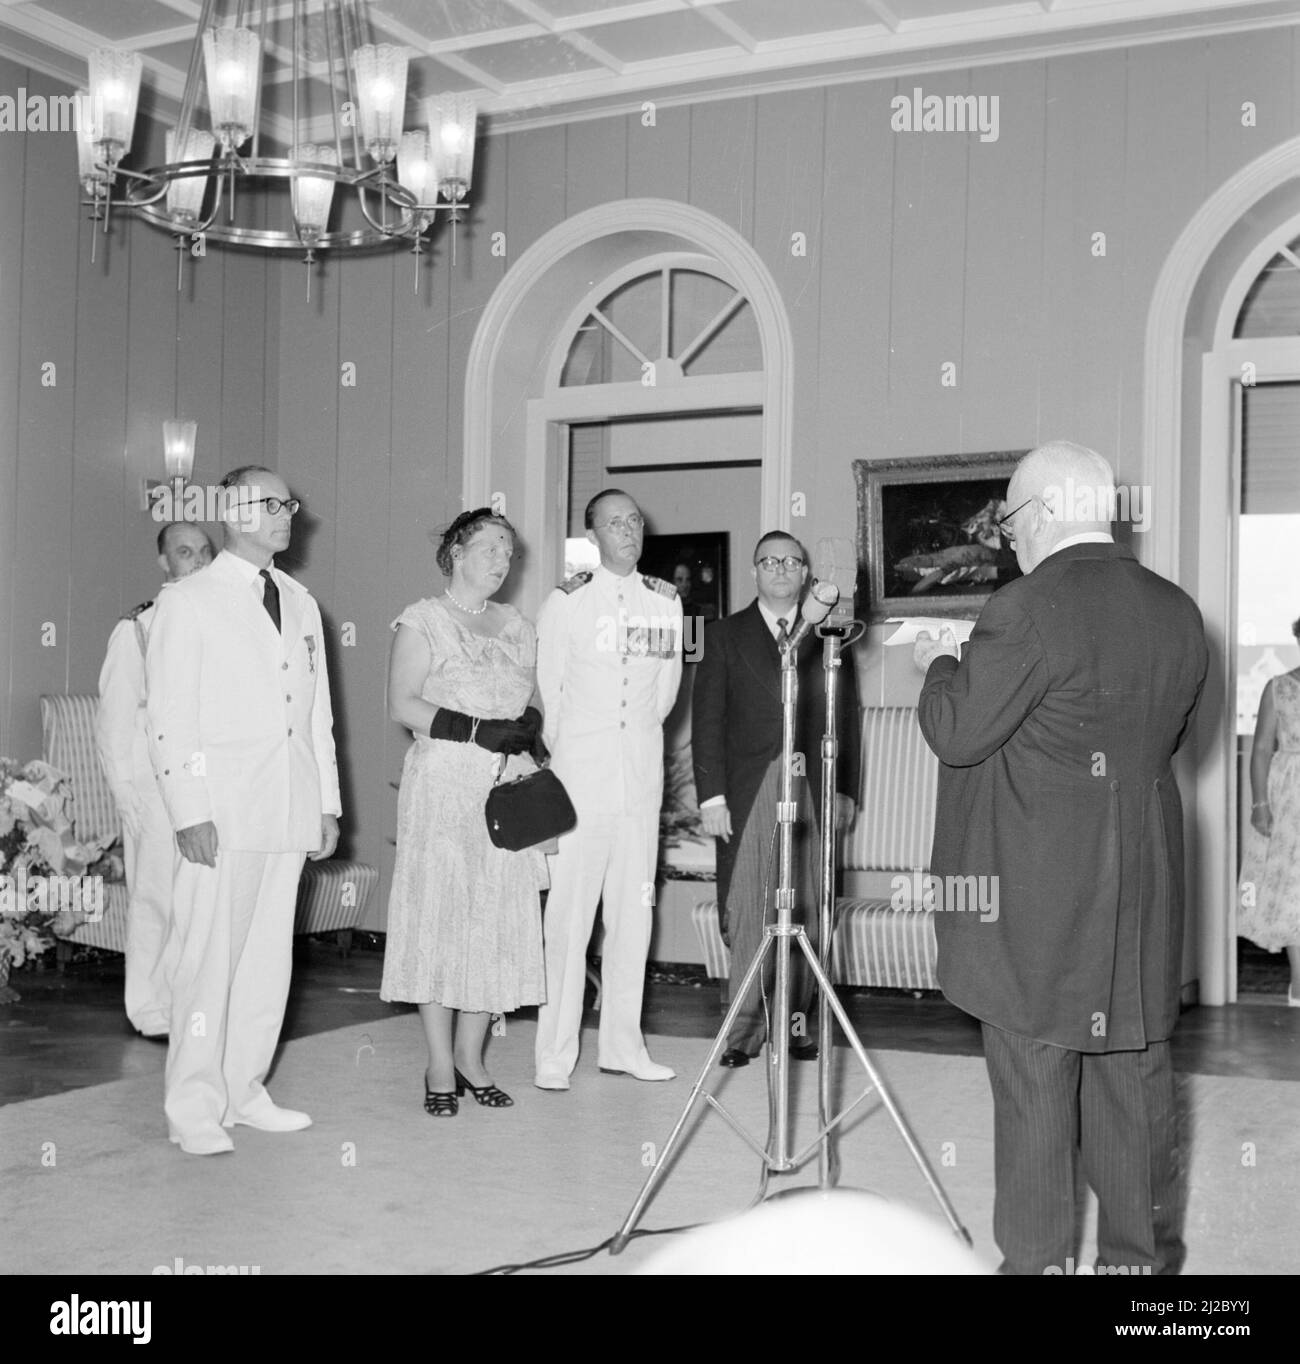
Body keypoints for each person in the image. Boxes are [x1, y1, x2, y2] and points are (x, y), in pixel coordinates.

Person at [914, 440, 1207, 1276]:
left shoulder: (1023, 609)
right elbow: (1167, 743)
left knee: (1037, 1087)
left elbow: (958, 732)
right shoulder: (1179, 610)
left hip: (1037, 898)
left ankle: (1036, 1265)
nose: (1007, 539)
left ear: (1041, 514)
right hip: (1142, 892)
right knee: (1132, 1085)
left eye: (1009, 519)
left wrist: (938, 662)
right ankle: (1140, 1278)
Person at [146, 466, 341, 1156]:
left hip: (287, 805)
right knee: (208, 964)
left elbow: (315, 714)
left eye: (290, 502)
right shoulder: (189, 600)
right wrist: (188, 810)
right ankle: (194, 1108)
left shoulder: (299, 600)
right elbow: (170, 718)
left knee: (266, 962)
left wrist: (326, 803)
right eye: (272, 503)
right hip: (221, 812)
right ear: (232, 512)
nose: (288, 513)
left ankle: (244, 1088)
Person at [380, 508, 547, 1117]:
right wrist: (477, 731)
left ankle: (474, 1057)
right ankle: (439, 1063)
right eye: (490, 548)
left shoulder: (519, 625)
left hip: (505, 787)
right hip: (445, 787)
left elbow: (532, 704)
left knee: (494, 923)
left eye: (509, 551)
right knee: (443, 918)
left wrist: (527, 732)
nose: (503, 560)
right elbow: (402, 704)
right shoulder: (422, 620)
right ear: (455, 551)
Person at [533, 489, 684, 1090]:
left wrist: (634, 751)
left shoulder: (667, 604)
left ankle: (623, 1045)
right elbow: (551, 693)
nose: (627, 530)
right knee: (568, 919)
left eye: (634, 521)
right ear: (592, 535)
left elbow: (666, 694)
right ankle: (554, 1052)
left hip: (639, 782)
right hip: (581, 781)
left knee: (633, 915)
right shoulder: (566, 601)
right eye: (613, 523)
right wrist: (576, 759)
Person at [692, 531, 860, 1068]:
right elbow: (707, 722)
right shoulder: (723, 637)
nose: (781, 569)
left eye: (792, 561)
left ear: (806, 571)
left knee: (807, 907)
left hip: (811, 785)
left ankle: (795, 1026)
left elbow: (845, 716)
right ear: (754, 572)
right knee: (747, 909)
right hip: (744, 791)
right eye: (770, 561)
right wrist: (711, 797)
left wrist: (844, 787)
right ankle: (741, 1033)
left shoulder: (828, 635)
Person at [96, 521, 213, 1039]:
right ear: (165, 563)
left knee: (202, 899)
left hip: (210, 782)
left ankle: (192, 1003)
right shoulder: (138, 629)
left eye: (205, 552)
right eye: (185, 553)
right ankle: (148, 1005)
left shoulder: (221, 623)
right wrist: (125, 795)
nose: (198, 562)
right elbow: (115, 722)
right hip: (153, 785)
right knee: (156, 898)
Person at [1238, 632, 1300, 1007]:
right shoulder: (1278, 688)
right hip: (1291, 800)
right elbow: (1261, 748)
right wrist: (1259, 804)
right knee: (1293, 892)